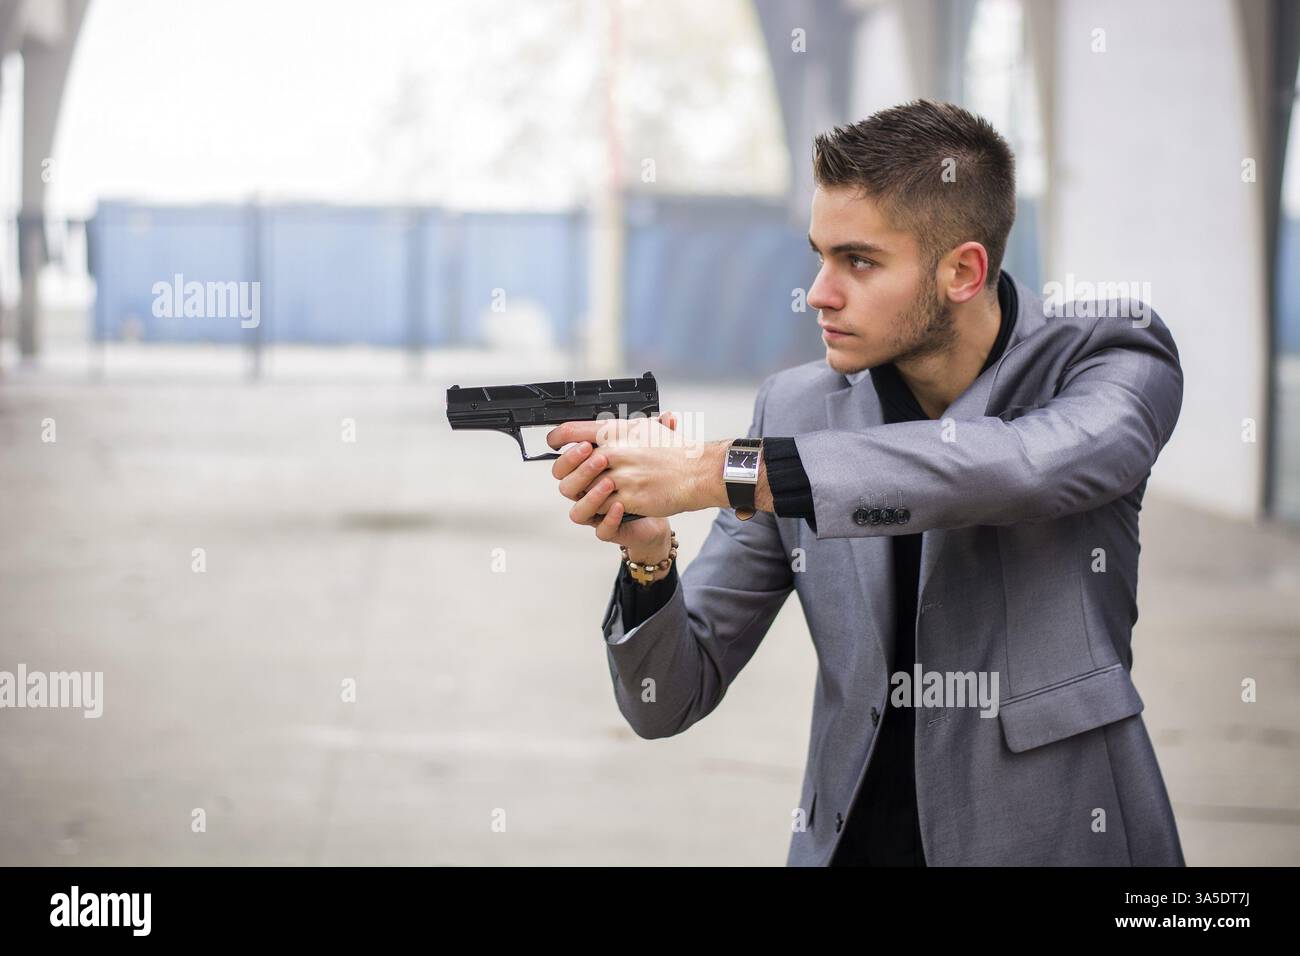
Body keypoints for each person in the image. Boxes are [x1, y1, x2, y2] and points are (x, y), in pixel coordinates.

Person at [545, 100, 1185, 866]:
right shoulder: (796, 408)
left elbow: (1022, 467)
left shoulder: (1110, 356)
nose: (819, 292)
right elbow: (669, 699)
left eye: (859, 261)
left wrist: (718, 470)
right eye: (819, 256)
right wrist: (649, 557)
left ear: (963, 270)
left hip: (1058, 837)